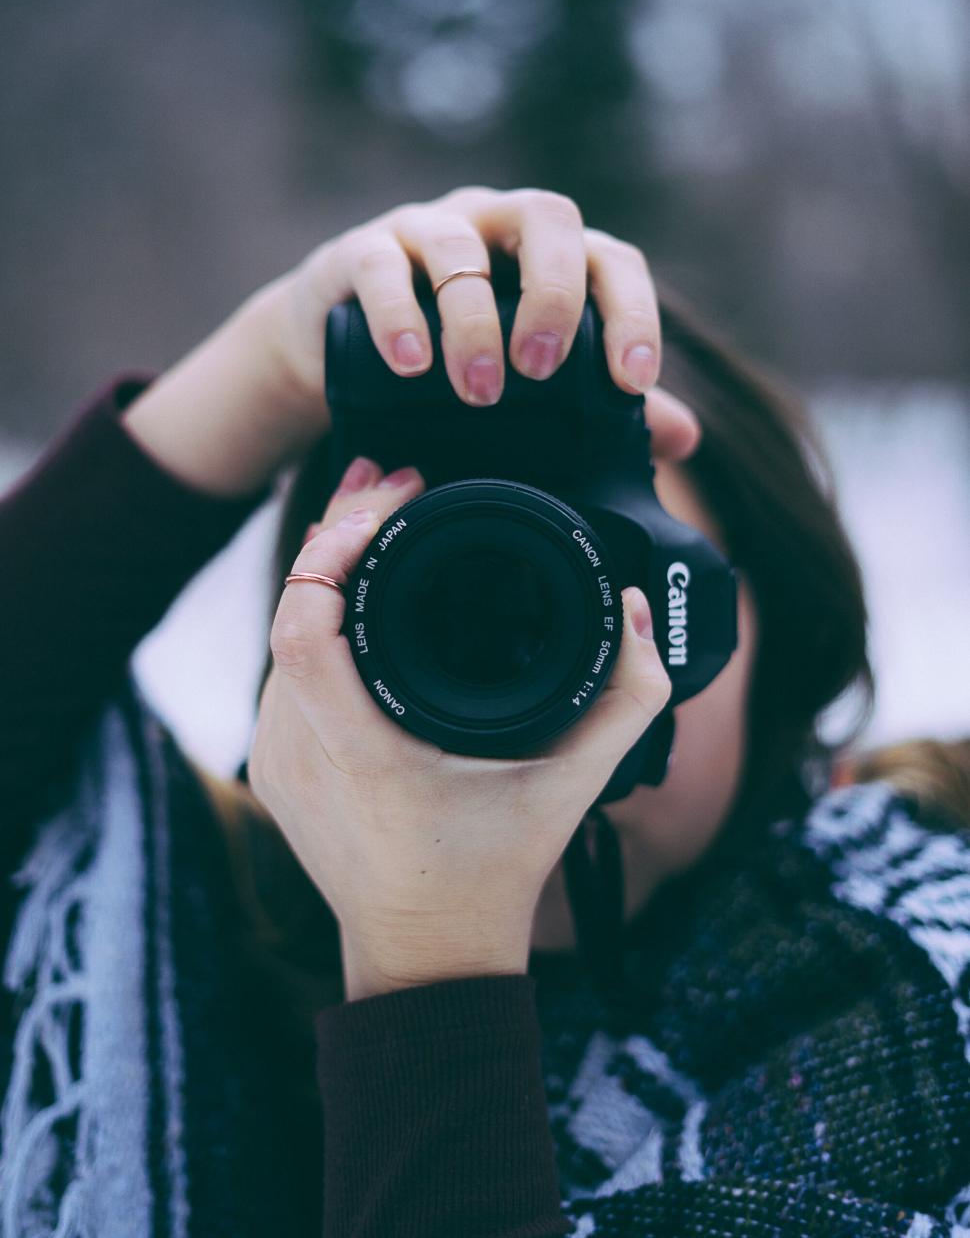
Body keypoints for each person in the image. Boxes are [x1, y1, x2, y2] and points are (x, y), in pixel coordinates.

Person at [1, 183, 967, 1238]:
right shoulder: (212, 940)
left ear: (772, 635)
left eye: (609, 610)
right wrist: (264, 372)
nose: (540, 736)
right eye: (445, 618)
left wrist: (424, 963)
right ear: (311, 642)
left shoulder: (904, 996)